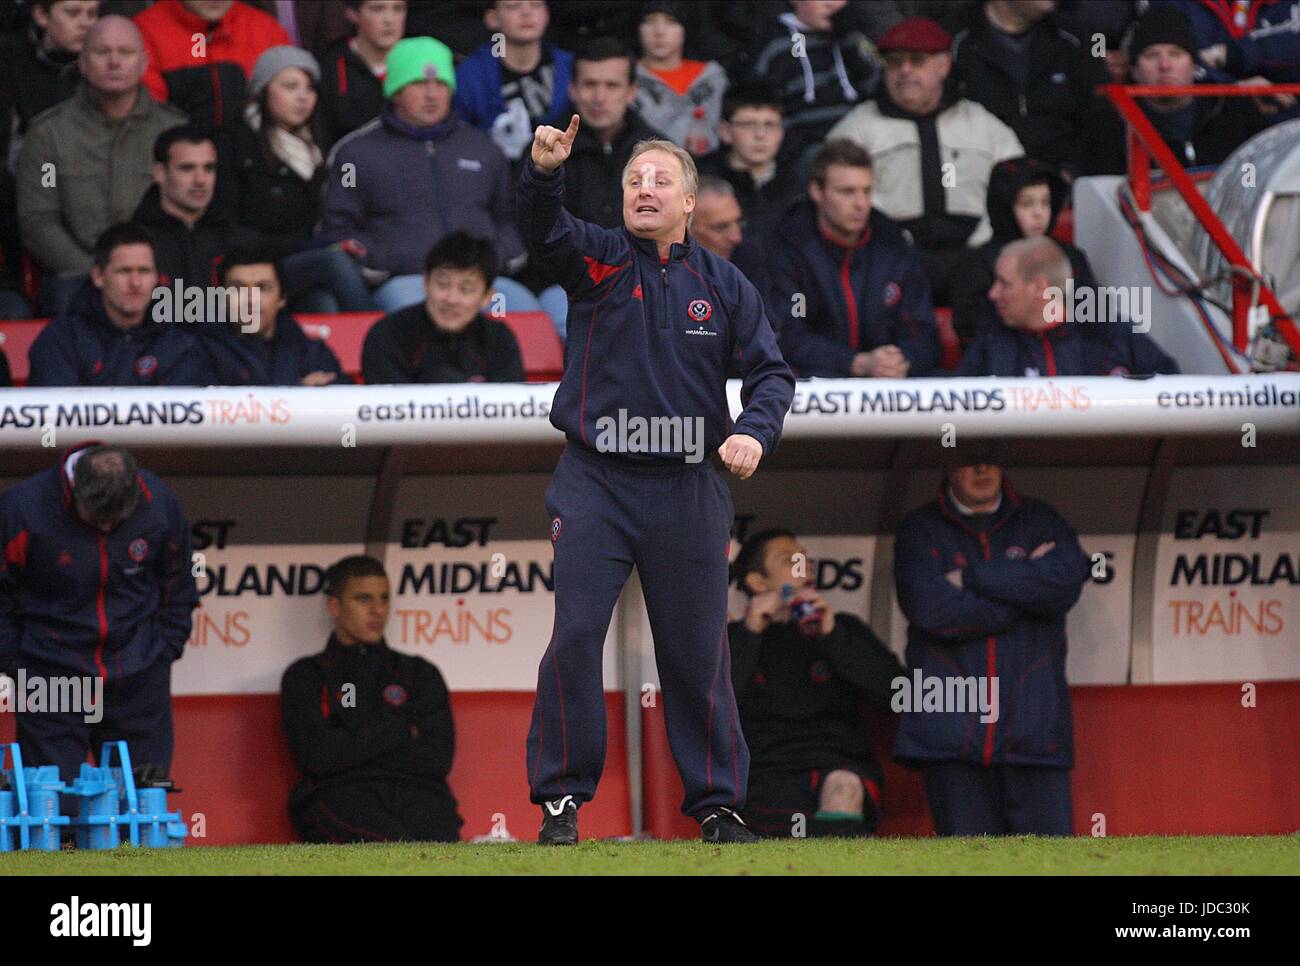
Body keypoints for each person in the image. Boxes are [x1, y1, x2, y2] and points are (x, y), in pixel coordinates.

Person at [520, 116, 795, 844]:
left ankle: (717, 807)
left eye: (659, 180)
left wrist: (752, 432)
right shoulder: (598, 258)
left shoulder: (723, 283)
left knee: (697, 650)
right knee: (575, 636)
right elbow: (541, 229)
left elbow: (772, 372)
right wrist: (544, 171)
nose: (644, 189)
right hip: (595, 480)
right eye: (633, 180)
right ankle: (560, 802)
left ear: (688, 201)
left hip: (689, 486)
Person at [893, 457, 1090, 835]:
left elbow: (1066, 579)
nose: (982, 471)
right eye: (969, 461)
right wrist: (1023, 596)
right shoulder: (919, 528)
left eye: (990, 461)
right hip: (951, 729)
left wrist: (970, 577)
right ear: (949, 466)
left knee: (1050, 865)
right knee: (969, 866)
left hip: (1033, 730)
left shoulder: (1040, 519)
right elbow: (931, 609)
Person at [0, 443, 199, 786]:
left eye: (117, 520)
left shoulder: (158, 503)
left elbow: (179, 581)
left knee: (138, 805)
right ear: (74, 487)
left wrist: (165, 647)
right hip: (50, 674)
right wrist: (16, 663)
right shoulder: (23, 510)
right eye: (97, 519)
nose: (107, 528)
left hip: (137, 673)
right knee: (51, 804)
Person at [319, 36, 530, 315]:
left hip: (484, 282)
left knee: (533, 324)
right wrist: (386, 263)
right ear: (394, 91)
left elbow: (509, 218)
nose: (432, 94)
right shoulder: (355, 154)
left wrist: (497, 259)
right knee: (424, 328)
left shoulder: (483, 147)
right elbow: (338, 230)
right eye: (419, 83)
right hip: (407, 282)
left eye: (441, 84)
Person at [827, 16, 1024, 306]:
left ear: (943, 65)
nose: (904, 71)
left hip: (979, 259)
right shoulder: (856, 129)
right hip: (891, 260)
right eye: (894, 63)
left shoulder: (983, 125)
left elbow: (1022, 189)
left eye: (917, 61)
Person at [730, 528, 904, 838]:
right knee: (790, 818)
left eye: (806, 560)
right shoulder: (734, 640)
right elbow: (711, 712)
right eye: (790, 561)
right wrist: (750, 632)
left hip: (840, 766)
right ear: (758, 582)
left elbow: (897, 694)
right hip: (766, 776)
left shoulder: (843, 628)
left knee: (843, 788)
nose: (805, 566)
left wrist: (832, 637)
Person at [280, 555, 463, 843]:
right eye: (364, 599)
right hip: (340, 794)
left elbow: (437, 758)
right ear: (335, 606)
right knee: (393, 844)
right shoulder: (308, 675)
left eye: (384, 598)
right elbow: (316, 756)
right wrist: (403, 730)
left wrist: (351, 740)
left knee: (438, 845)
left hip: (419, 794)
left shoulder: (419, 673)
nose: (378, 610)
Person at [15, 14, 186, 315]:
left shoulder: (173, 132)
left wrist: (148, 275)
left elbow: (191, 213)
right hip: (82, 276)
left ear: (144, 62)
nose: (114, 62)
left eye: (125, 52)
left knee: (201, 304)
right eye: (102, 52)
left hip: (164, 276)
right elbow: (40, 221)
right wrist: (101, 274)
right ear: (82, 61)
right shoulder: (49, 136)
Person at [770, 139, 941, 379]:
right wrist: (857, 363)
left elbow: (923, 332)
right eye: (847, 192)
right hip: (816, 387)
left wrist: (901, 361)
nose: (861, 204)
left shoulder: (894, 244)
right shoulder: (786, 247)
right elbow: (785, 336)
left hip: (891, 387)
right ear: (817, 191)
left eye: (867, 191)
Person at [232, 46, 373, 313]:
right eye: (290, 86)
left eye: (310, 88)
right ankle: (377, 337)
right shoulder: (239, 146)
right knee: (333, 261)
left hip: (310, 265)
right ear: (262, 90)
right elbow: (239, 231)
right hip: (261, 267)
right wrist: (312, 246)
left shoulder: (323, 147)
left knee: (324, 305)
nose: (303, 97)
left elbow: (348, 194)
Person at [1083, 5, 1277, 174]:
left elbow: (1256, 179)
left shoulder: (1235, 112)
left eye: (1176, 54)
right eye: (1151, 55)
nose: (1165, 65)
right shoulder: (1109, 125)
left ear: (1194, 66)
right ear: (1134, 70)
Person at [958, 236, 1181, 376]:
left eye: (1004, 284)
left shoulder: (1114, 335)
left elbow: (1175, 397)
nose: (993, 293)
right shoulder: (991, 344)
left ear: (1040, 287)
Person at [27, 223, 210, 387]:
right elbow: (54, 417)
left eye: (144, 271)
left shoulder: (179, 343)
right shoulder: (62, 339)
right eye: (124, 271)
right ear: (99, 276)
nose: (136, 283)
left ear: (156, 278)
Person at [951, 0, 1112, 179]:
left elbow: (1101, 114)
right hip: (980, 182)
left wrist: (1073, 170)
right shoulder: (955, 40)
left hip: (1062, 184)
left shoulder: (1076, 38)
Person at [950, 157, 1096, 343]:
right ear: (1004, 208)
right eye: (1027, 204)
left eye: (1046, 202)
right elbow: (972, 331)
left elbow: (1094, 317)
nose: (1039, 213)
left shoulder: (1071, 257)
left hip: (1069, 360)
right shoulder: (977, 265)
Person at [361, 233, 525, 384]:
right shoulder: (388, 334)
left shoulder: (498, 338)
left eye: (466, 289)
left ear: (487, 297)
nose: (452, 299)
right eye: (443, 284)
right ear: (426, 283)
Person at [749, 0, 880, 171]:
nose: (831, 4)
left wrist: (849, 44)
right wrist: (797, 148)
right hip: (804, 154)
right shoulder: (774, 46)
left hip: (861, 145)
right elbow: (763, 108)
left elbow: (879, 91)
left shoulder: (856, 40)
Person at [133, 0, 290, 137]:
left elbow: (289, 111)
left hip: (255, 159)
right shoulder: (145, 31)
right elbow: (149, 119)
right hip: (178, 160)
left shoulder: (266, 29)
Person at [556, 37, 665, 229]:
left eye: (612, 85)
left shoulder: (661, 153)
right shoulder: (545, 151)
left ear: (631, 92)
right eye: (590, 84)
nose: (599, 97)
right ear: (572, 89)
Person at [454, 1, 574, 170]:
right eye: (513, 6)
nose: (526, 13)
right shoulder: (470, 75)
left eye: (535, 5)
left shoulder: (570, 67)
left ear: (547, 14)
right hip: (492, 175)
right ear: (492, 18)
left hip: (562, 173)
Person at [201, 249, 347, 386]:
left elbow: (347, 402)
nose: (251, 300)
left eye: (263, 288)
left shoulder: (313, 352)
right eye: (238, 288)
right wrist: (298, 396)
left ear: (282, 298)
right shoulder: (198, 352)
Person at [695, 83, 804, 239]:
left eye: (770, 125)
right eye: (748, 125)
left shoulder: (797, 185)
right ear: (725, 132)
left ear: (782, 132)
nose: (760, 135)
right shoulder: (701, 178)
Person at [0, 0, 99, 163]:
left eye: (92, 13)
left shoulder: (105, 67)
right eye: (73, 13)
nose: (86, 24)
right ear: (41, 15)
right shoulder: (9, 64)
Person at [131, 125, 227, 290]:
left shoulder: (236, 239)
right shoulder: (133, 242)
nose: (200, 180)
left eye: (208, 168)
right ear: (160, 173)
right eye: (187, 168)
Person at [632, 1, 728, 157]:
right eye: (649, 21)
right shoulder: (623, 79)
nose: (659, 32)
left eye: (671, 21)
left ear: (686, 28)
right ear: (637, 28)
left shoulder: (713, 78)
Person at [317, 0, 407, 151]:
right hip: (349, 168)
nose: (389, 20)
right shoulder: (329, 64)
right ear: (352, 13)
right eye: (377, 9)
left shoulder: (420, 61)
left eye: (398, 9)